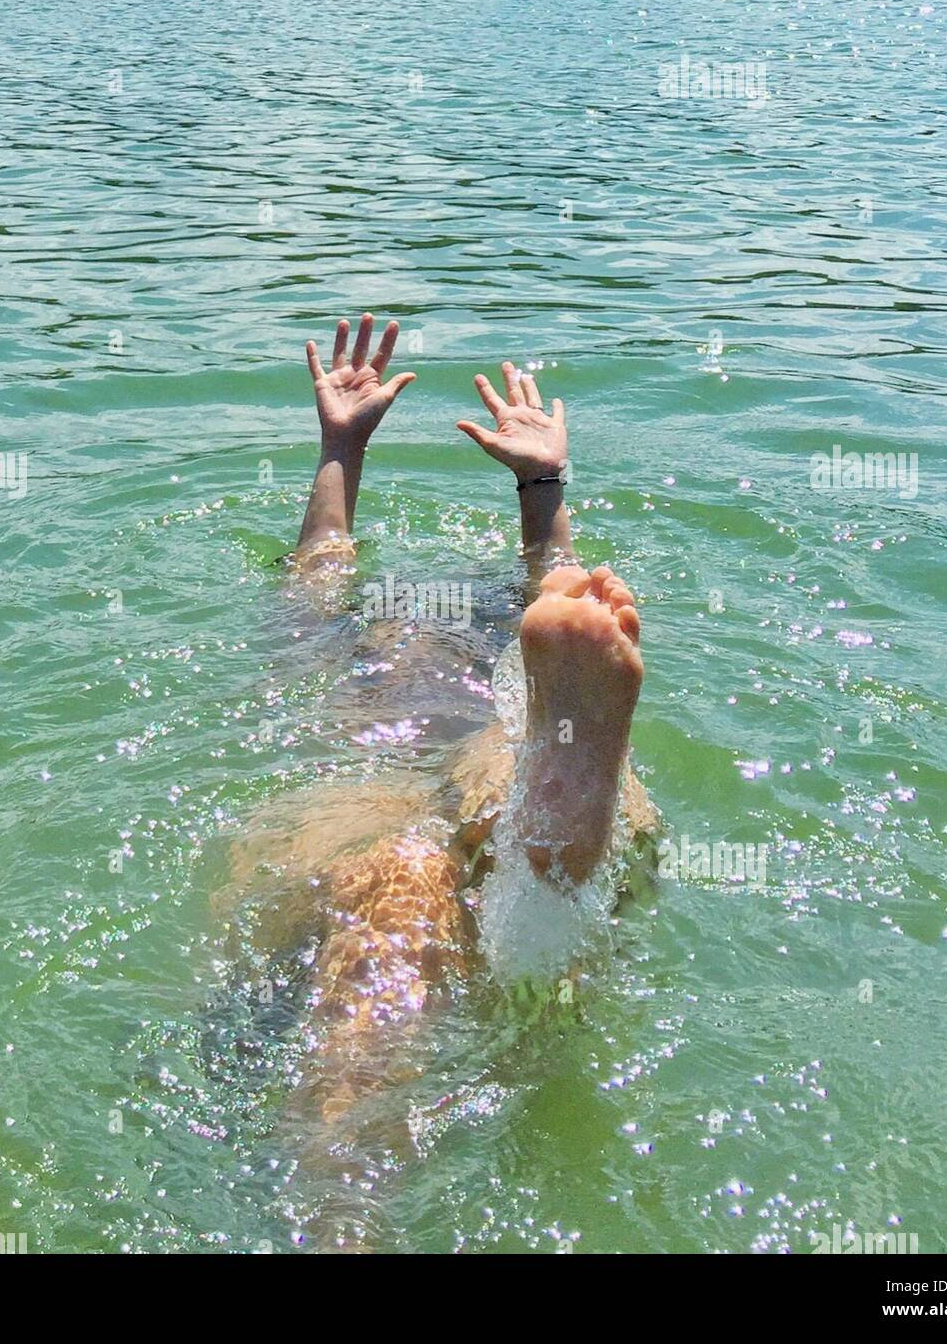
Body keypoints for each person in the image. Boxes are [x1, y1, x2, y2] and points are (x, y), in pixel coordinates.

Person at [211, 315, 653, 1244]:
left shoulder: (351, 641)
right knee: (470, 803)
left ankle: (341, 1209)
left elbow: (320, 576)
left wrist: (340, 456)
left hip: (368, 791)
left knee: (406, 874)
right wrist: (541, 493)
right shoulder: (497, 642)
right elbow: (563, 590)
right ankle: (552, 838)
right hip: (418, 789)